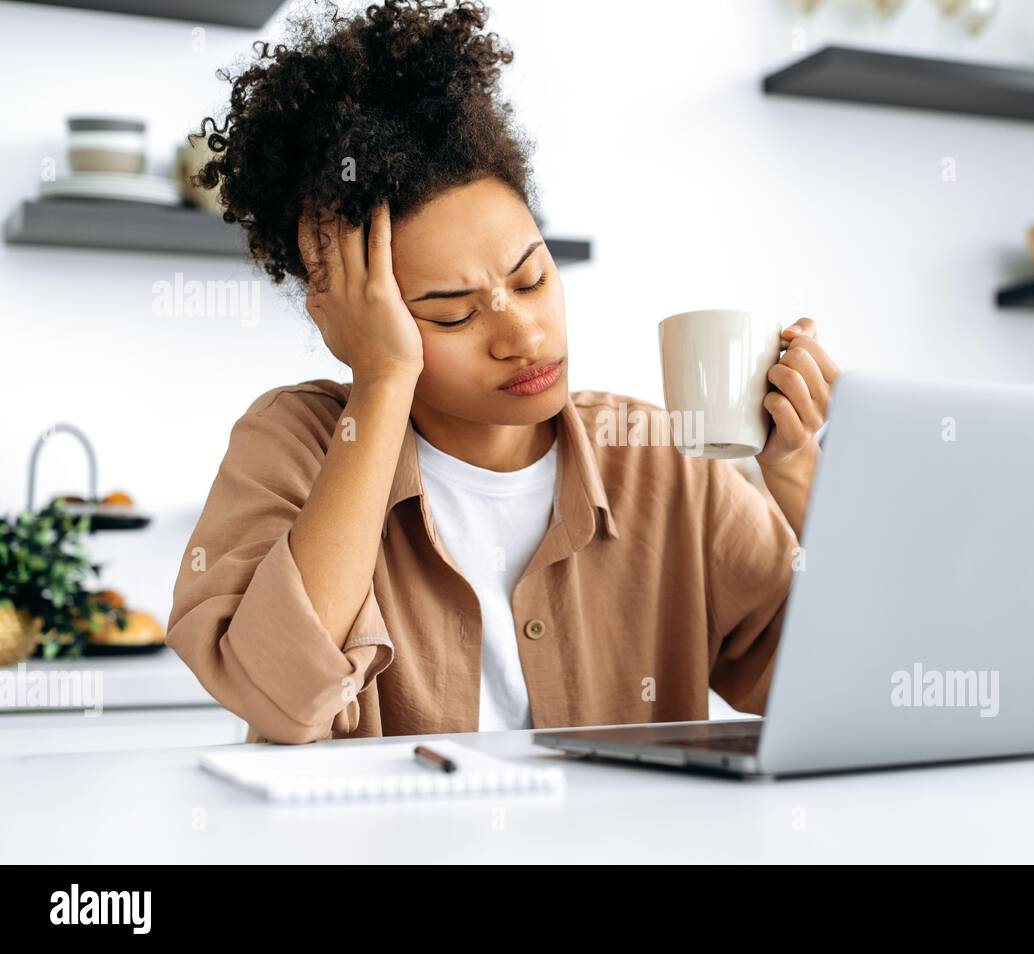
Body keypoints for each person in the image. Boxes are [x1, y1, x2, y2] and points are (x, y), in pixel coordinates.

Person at [166, 0, 839, 744]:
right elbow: (281, 696)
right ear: (353, 322)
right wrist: (383, 378)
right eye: (453, 313)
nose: (523, 335)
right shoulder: (294, 444)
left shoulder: (659, 455)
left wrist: (799, 472)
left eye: (532, 279)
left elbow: (837, 684)